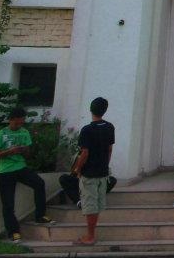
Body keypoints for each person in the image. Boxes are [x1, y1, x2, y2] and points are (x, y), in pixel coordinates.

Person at [0, 106, 55, 242]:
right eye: (18, 121)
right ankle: (13, 232)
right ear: (12, 120)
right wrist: (8, 152)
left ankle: (40, 215)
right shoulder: (1, 134)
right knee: (8, 203)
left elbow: (29, 153)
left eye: (22, 121)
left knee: (39, 183)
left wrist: (24, 150)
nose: (20, 124)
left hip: (21, 167)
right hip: (5, 171)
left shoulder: (24, 132)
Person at [71, 97, 115, 246]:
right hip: (102, 172)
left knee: (90, 206)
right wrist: (105, 164)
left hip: (89, 173)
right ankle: (91, 233)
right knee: (96, 205)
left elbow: (84, 153)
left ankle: (90, 236)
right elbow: (109, 149)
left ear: (91, 109)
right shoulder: (110, 127)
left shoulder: (87, 130)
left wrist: (78, 168)